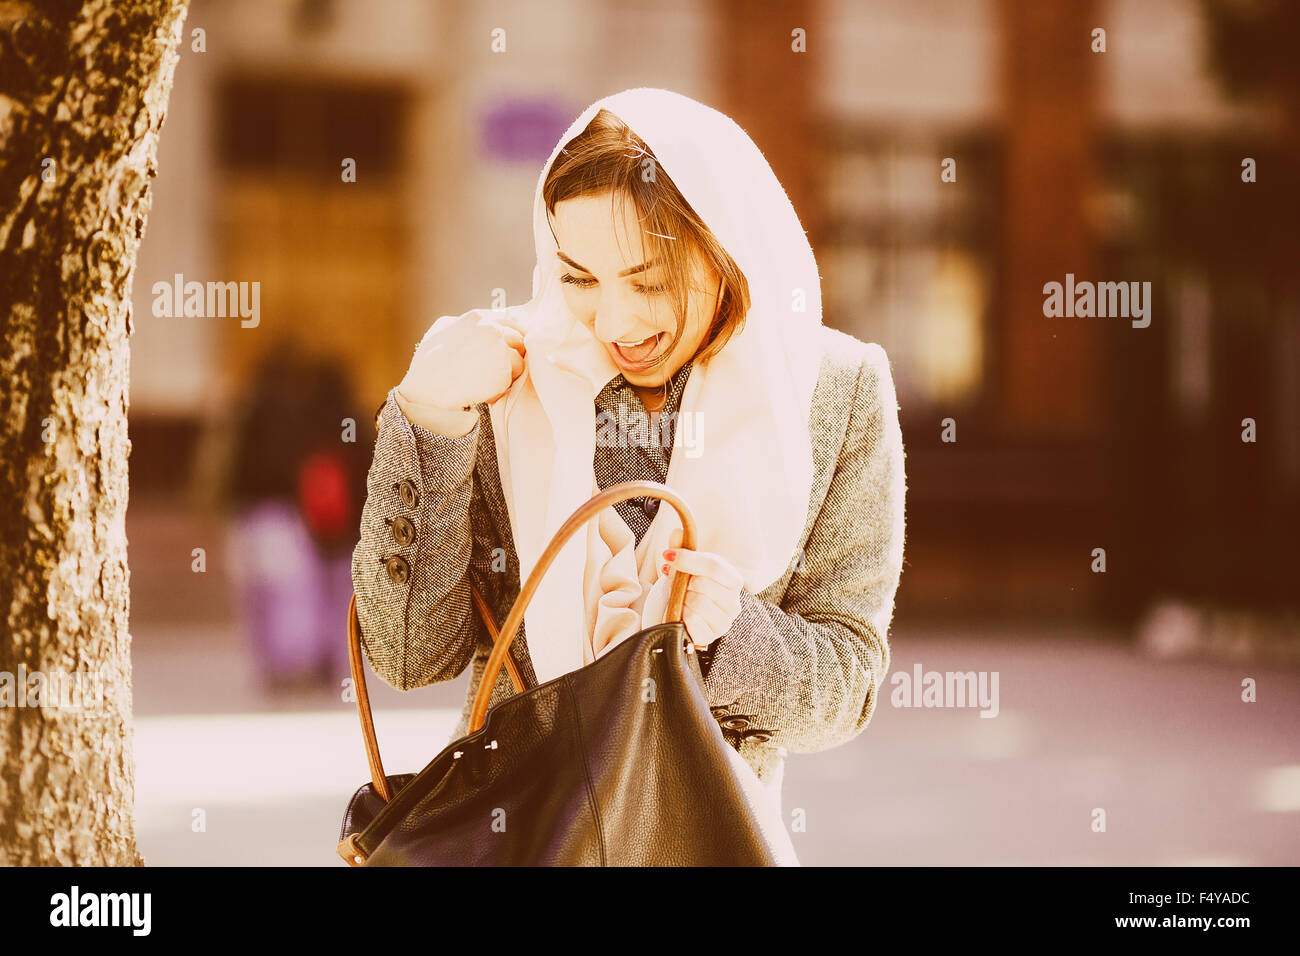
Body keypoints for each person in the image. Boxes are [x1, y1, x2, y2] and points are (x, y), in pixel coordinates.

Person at [351, 87, 906, 838]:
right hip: (520, 840)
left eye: (648, 281)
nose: (614, 322)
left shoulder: (834, 390)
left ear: (725, 250)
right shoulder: (502, 375)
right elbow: (410, 656)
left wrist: (731, 635)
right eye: (578, 277)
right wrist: (427, 418)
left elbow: (848, 685)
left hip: (708, 840)